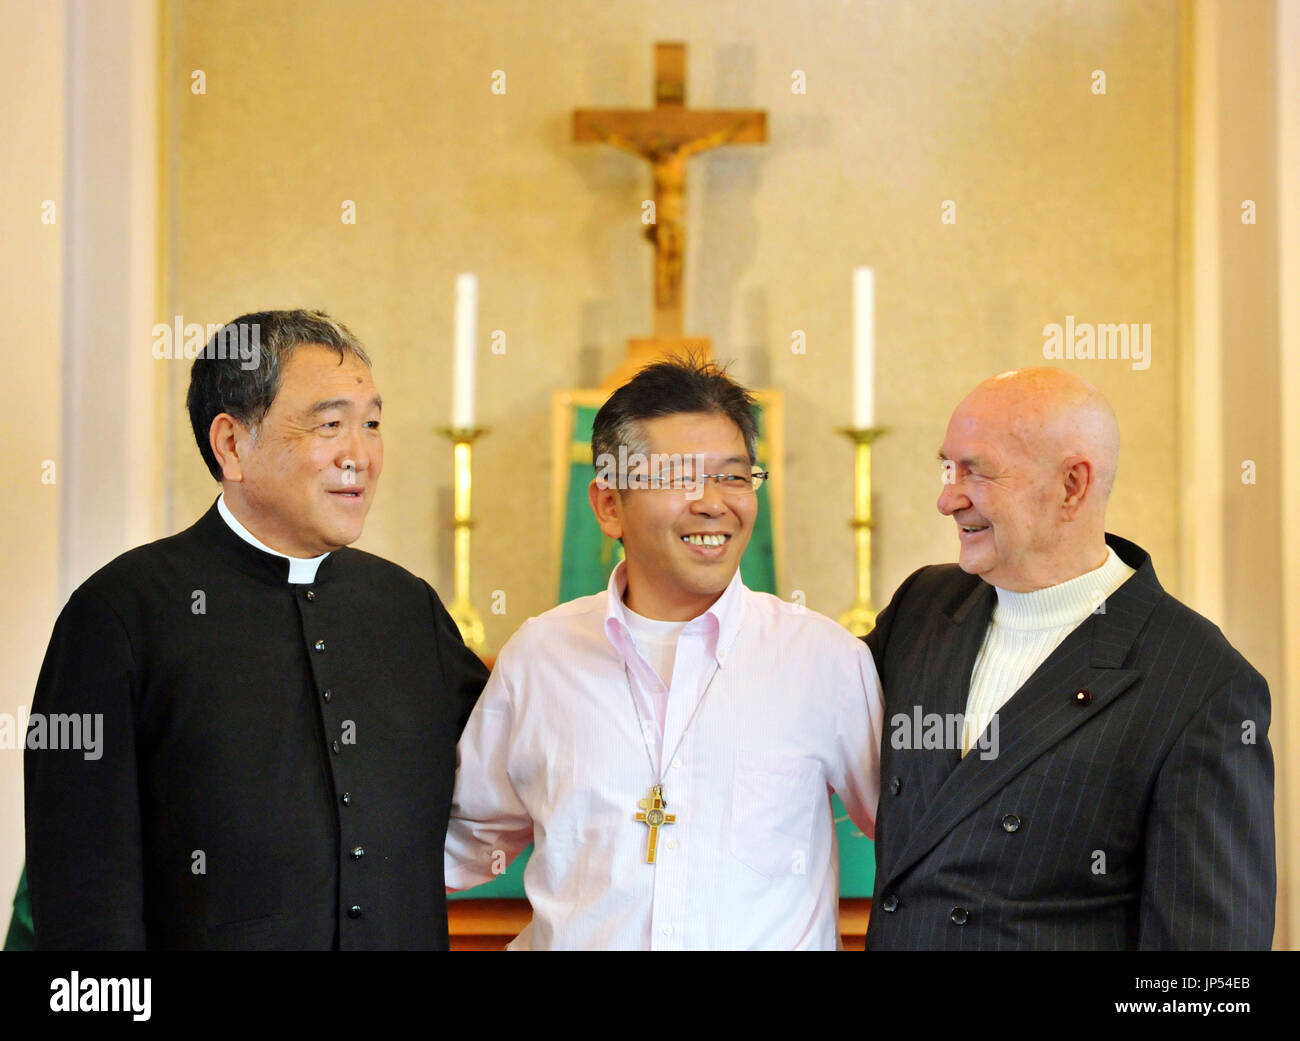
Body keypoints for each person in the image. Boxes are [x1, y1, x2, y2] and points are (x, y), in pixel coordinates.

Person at [24, 309, 487, 949]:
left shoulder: (409, 610)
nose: (361, 455)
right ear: (232, 444)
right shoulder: (119, 615)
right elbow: (82, 898)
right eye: (330, 425)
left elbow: (514, 774)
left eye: (372, 425)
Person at [445, 356, 882, 949]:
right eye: (678, 477)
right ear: (608, 505)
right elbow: (467, 843)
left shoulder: (822, 659)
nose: (711, 503)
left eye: (733, 476)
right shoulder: (540, 657)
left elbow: (912, 836)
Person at [865, 367, 1275, 950]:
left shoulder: (1201, 684)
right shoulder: (923, 607)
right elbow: (809, 716)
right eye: (948, 467)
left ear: (1071, 486)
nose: (946, 497)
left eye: (975, 471)